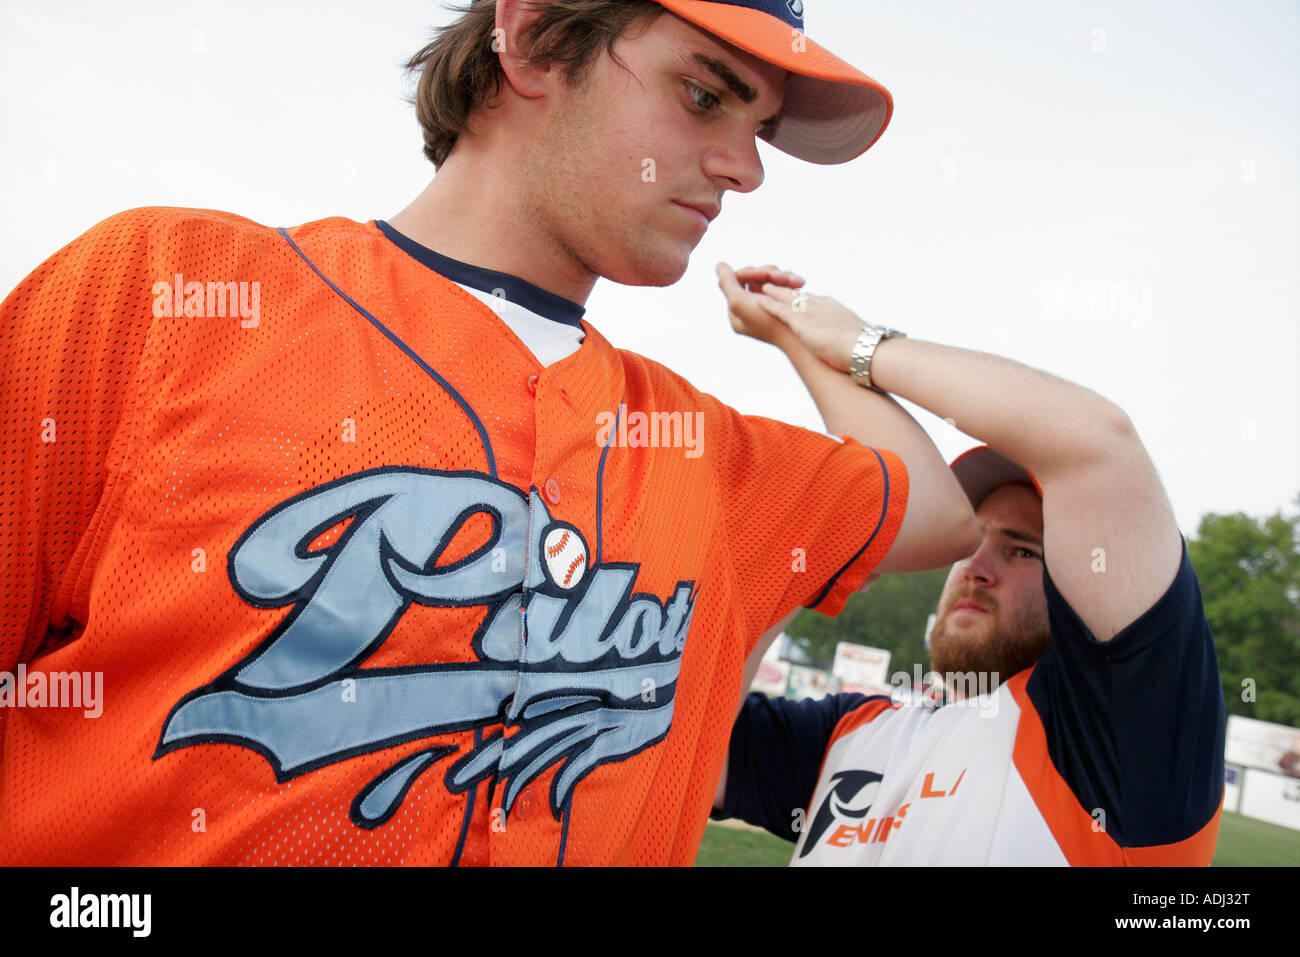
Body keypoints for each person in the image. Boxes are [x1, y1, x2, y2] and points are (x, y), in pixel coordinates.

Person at [0, 1, 979, 865]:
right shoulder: (172, 290)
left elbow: (936, 510)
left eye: (759, 126)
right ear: (536, 38)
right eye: (703, 96)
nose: (744, 166)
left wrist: (828, 341)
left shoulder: (703, 449)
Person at [710, 268, 1226, 865]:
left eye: (1022, 550)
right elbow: (696, 752)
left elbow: (1097, 443)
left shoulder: (1114, 740)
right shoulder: (855, 733)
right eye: (974, 542)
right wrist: (796, 341)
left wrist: (862, 344)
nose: (975, 566)